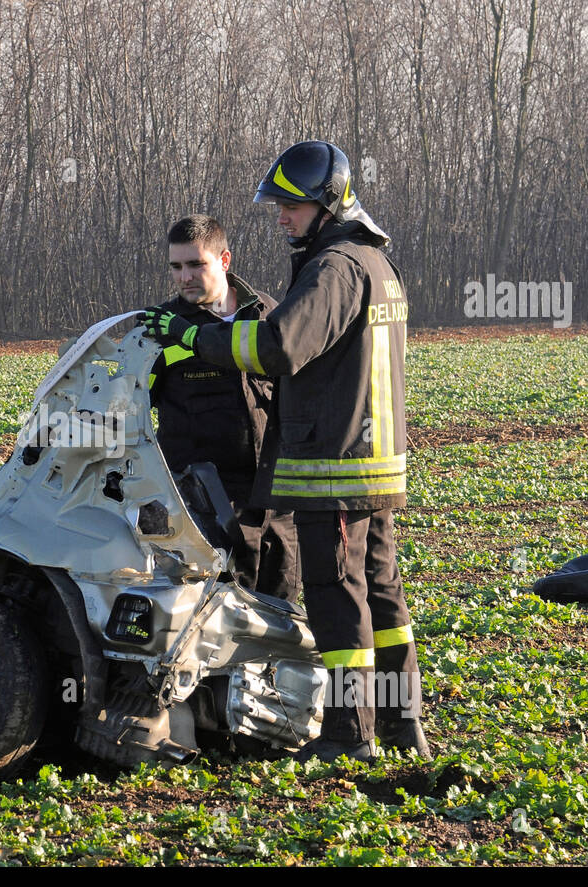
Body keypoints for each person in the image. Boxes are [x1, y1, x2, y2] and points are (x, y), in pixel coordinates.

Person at [139, 141, 429, 763]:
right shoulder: (377, 265)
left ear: (328, 203)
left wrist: (192, 336)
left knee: (337, 598)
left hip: (334, 470)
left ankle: (350, 734)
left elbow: (277, 347)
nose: (280, 218)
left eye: (290, 206)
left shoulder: (335, 268)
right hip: (374, 468)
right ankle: (402, 725)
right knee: (382, 597)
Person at [145, 215, 301, 602]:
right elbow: (130, 408)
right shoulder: (161, 329)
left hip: (275, 500)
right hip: (201, 508)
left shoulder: (268, 315)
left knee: (281, 611)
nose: (184, 277)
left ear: (224, 260)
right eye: (176, 267)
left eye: (196, 264)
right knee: (215, 615)